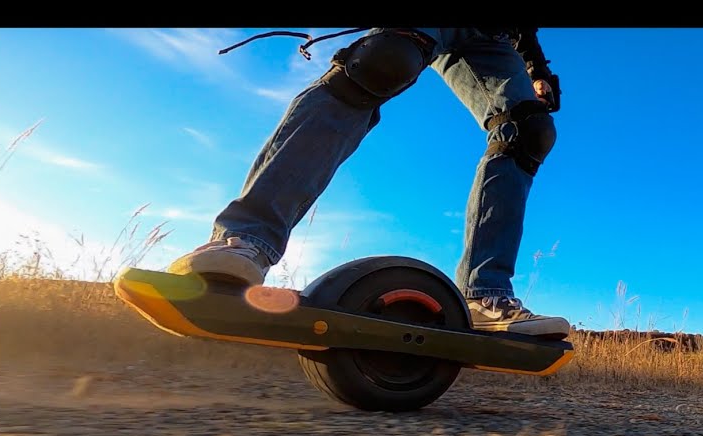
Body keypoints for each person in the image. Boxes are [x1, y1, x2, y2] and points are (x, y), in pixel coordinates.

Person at [167, 27, 570, 338]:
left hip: (493, 38)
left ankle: (486, 294)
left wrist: (535, 67)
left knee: (528, 131)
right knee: (383, 60)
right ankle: (244, 240)